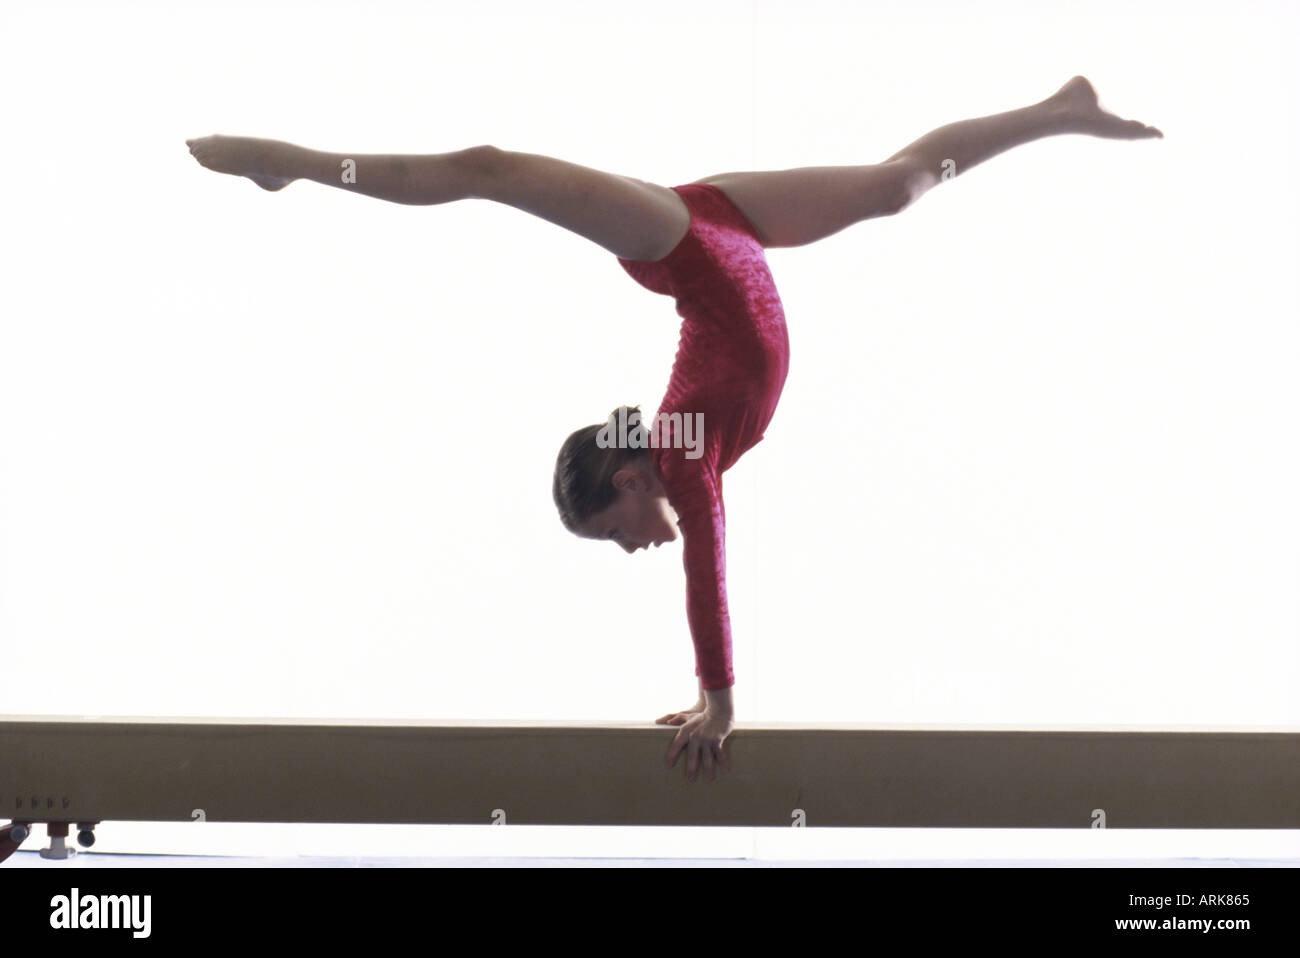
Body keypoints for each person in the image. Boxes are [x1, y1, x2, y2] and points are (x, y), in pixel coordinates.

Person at [186, 76, 1161, 784]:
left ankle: (295, 166)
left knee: (486, 169)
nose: (633, 548)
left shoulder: (680, 461)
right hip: (730, 231)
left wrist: (720, 701)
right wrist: (622, 474)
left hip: (676, 241)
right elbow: (625, 445)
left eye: (614, 531)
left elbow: (707, 569)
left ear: (623, 483)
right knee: (895, 186)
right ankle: (1058, 110)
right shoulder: (658, 445)